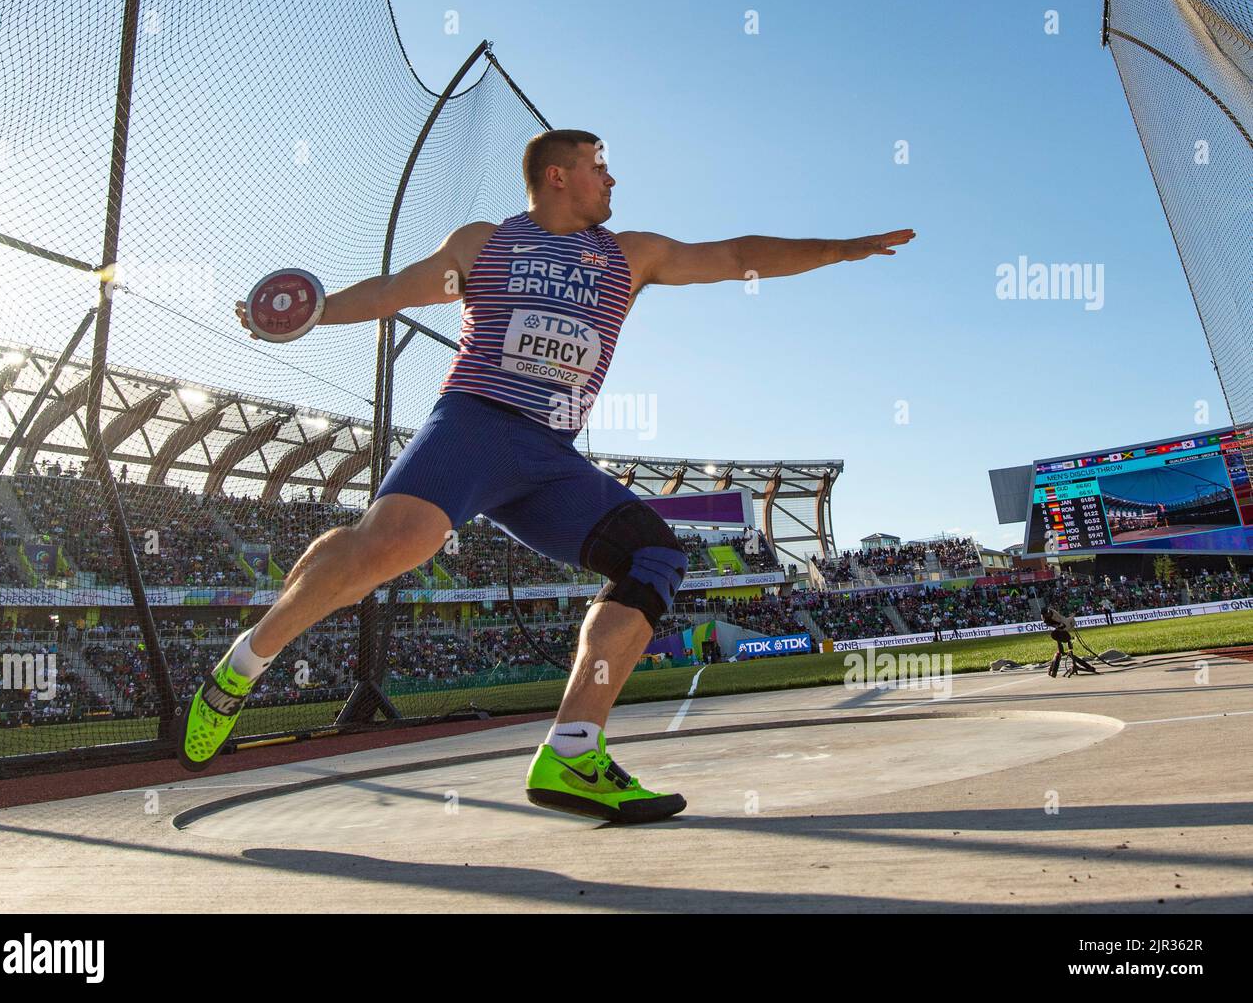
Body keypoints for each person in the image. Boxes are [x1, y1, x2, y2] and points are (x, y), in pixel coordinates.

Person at [179, 128, 914, 823]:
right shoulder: (486, 242)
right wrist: (307, 313)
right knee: (391, 546)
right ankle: (243, 664)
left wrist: (839, 248)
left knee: (654, 555)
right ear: (557, 175)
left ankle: (571, 754)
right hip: (475, 423)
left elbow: (732, 255)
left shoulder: (632, 253)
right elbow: (392, 292)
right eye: (601, 165)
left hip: (549, 458)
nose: (613, 177)